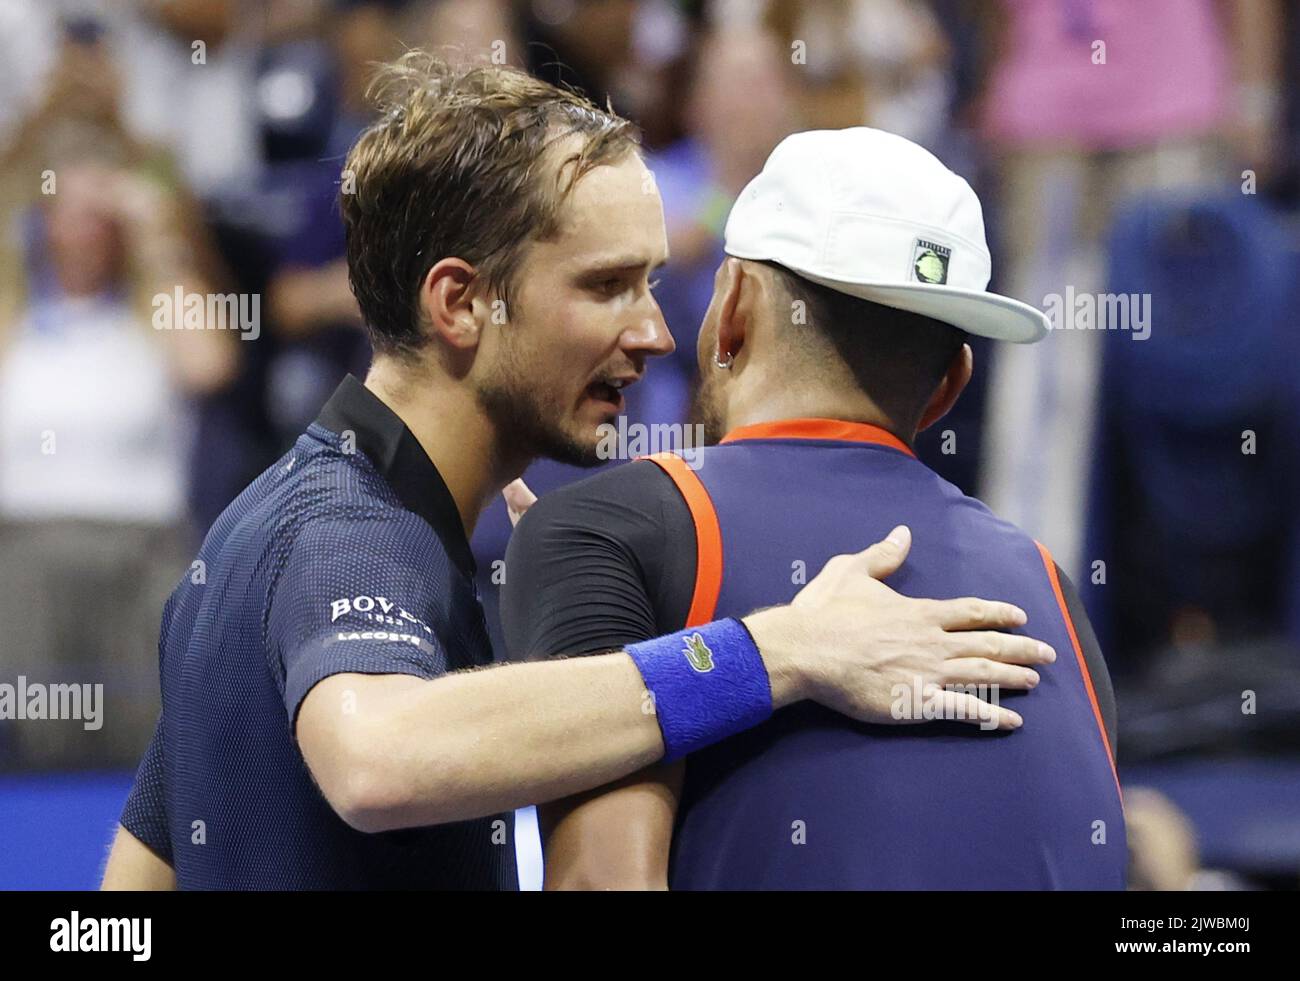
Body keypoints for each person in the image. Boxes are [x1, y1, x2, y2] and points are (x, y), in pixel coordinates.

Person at [100, 57, 1050, 890]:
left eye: (649, 282)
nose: (657, 333)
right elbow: (380, 757)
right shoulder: (348, 530)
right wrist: (782, 652)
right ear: (463, 303)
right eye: (606, 286)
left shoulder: (280, 530)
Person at [502, 128, 1124, 890]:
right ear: (950, 385)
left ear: (730, 306)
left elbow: (599, 884)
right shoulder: (1054, 593)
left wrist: (564, 563)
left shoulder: (612, 532)